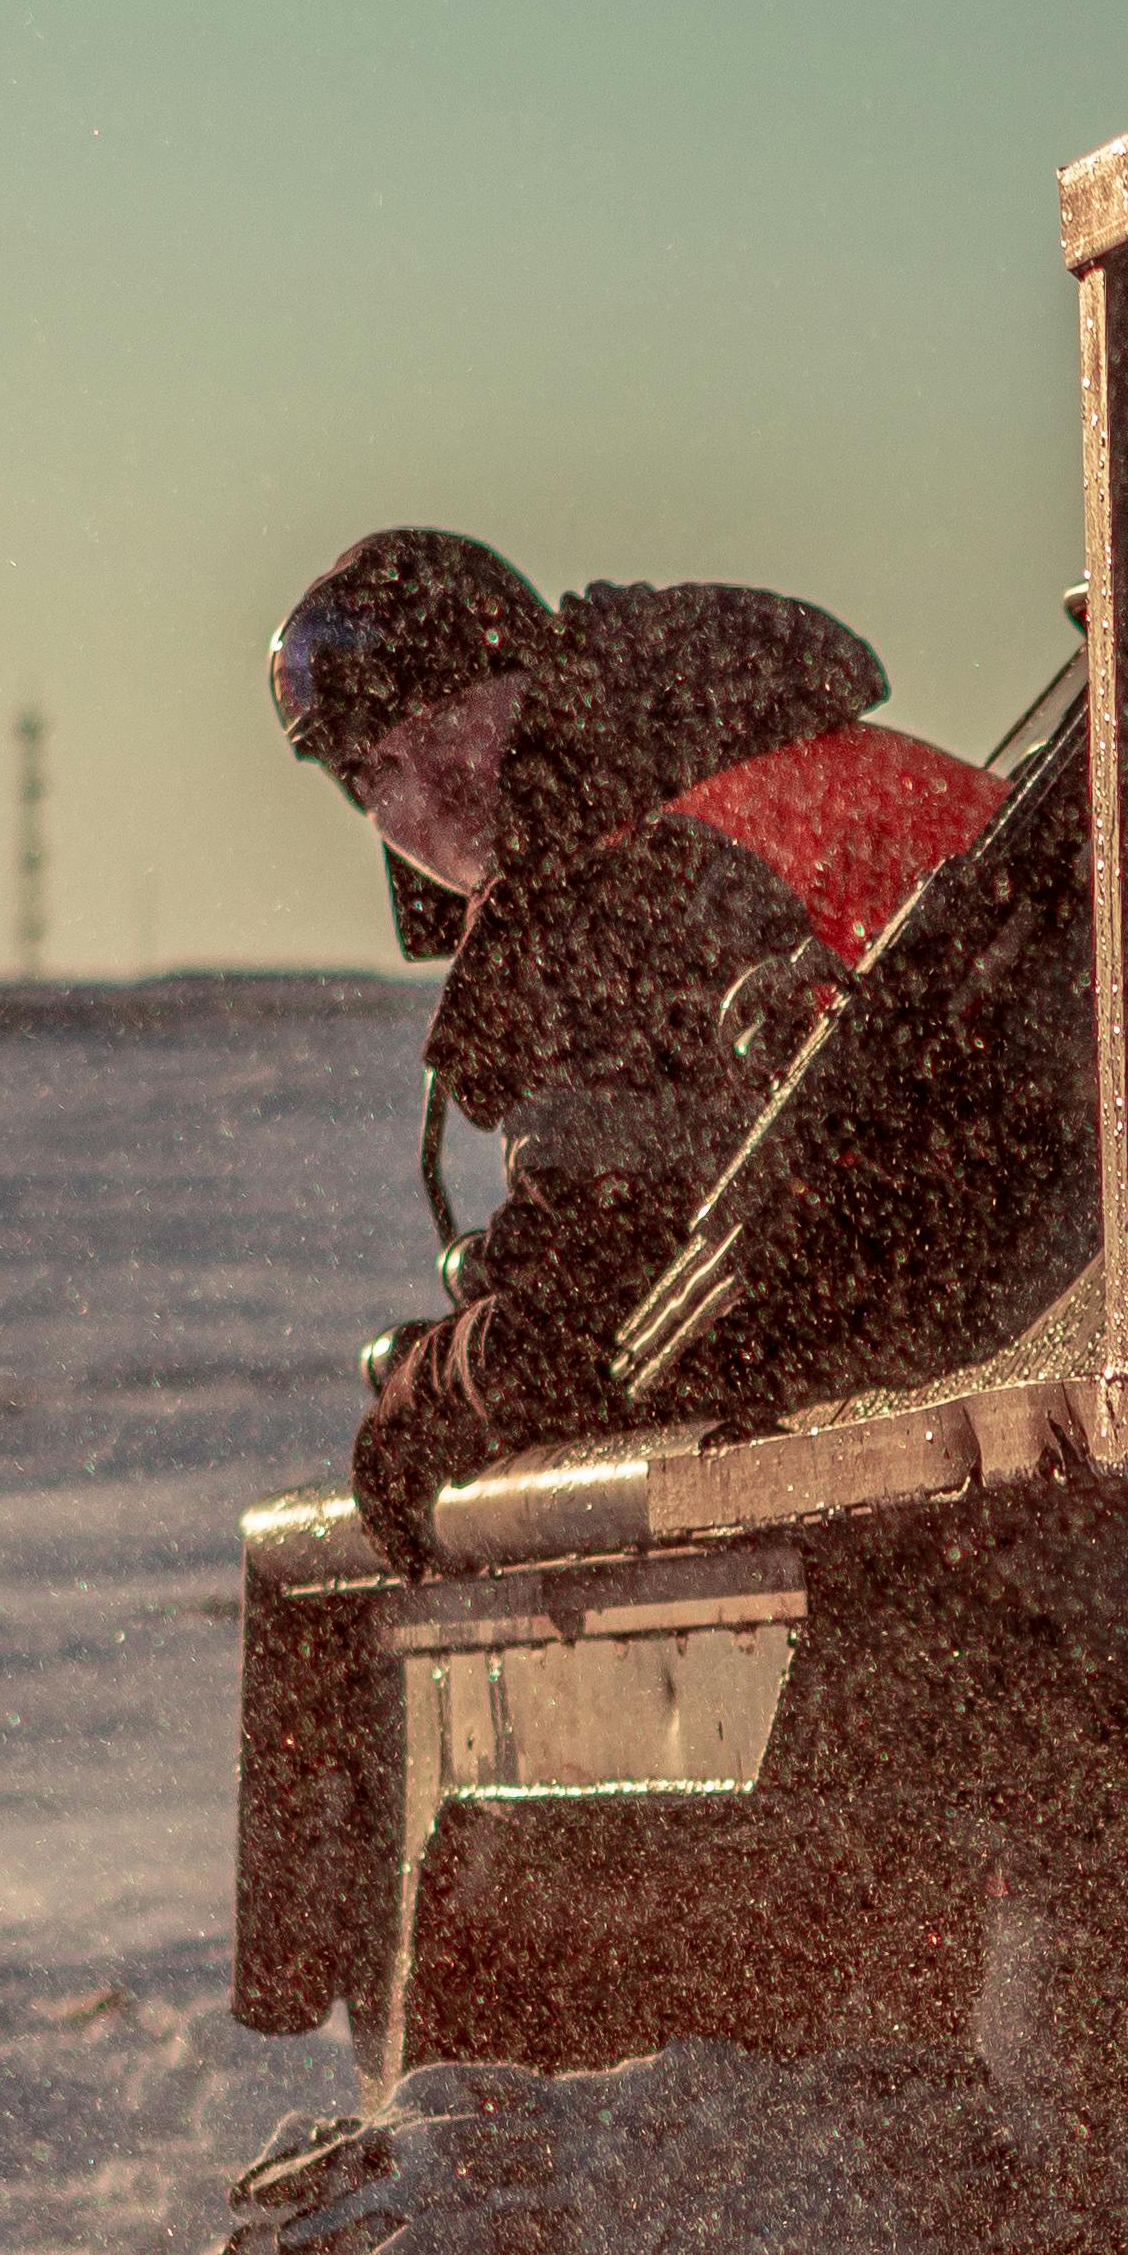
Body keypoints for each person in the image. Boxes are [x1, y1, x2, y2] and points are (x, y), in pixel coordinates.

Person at [271, 531, 1006, 1570]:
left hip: (965, 1392)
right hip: (1012, 1316)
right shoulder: (747, 758)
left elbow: (597, 1307)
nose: (424, 795)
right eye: (376, 772)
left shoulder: (634, 879)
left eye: (445, 728)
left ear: (531, 686)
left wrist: (428, 1401)